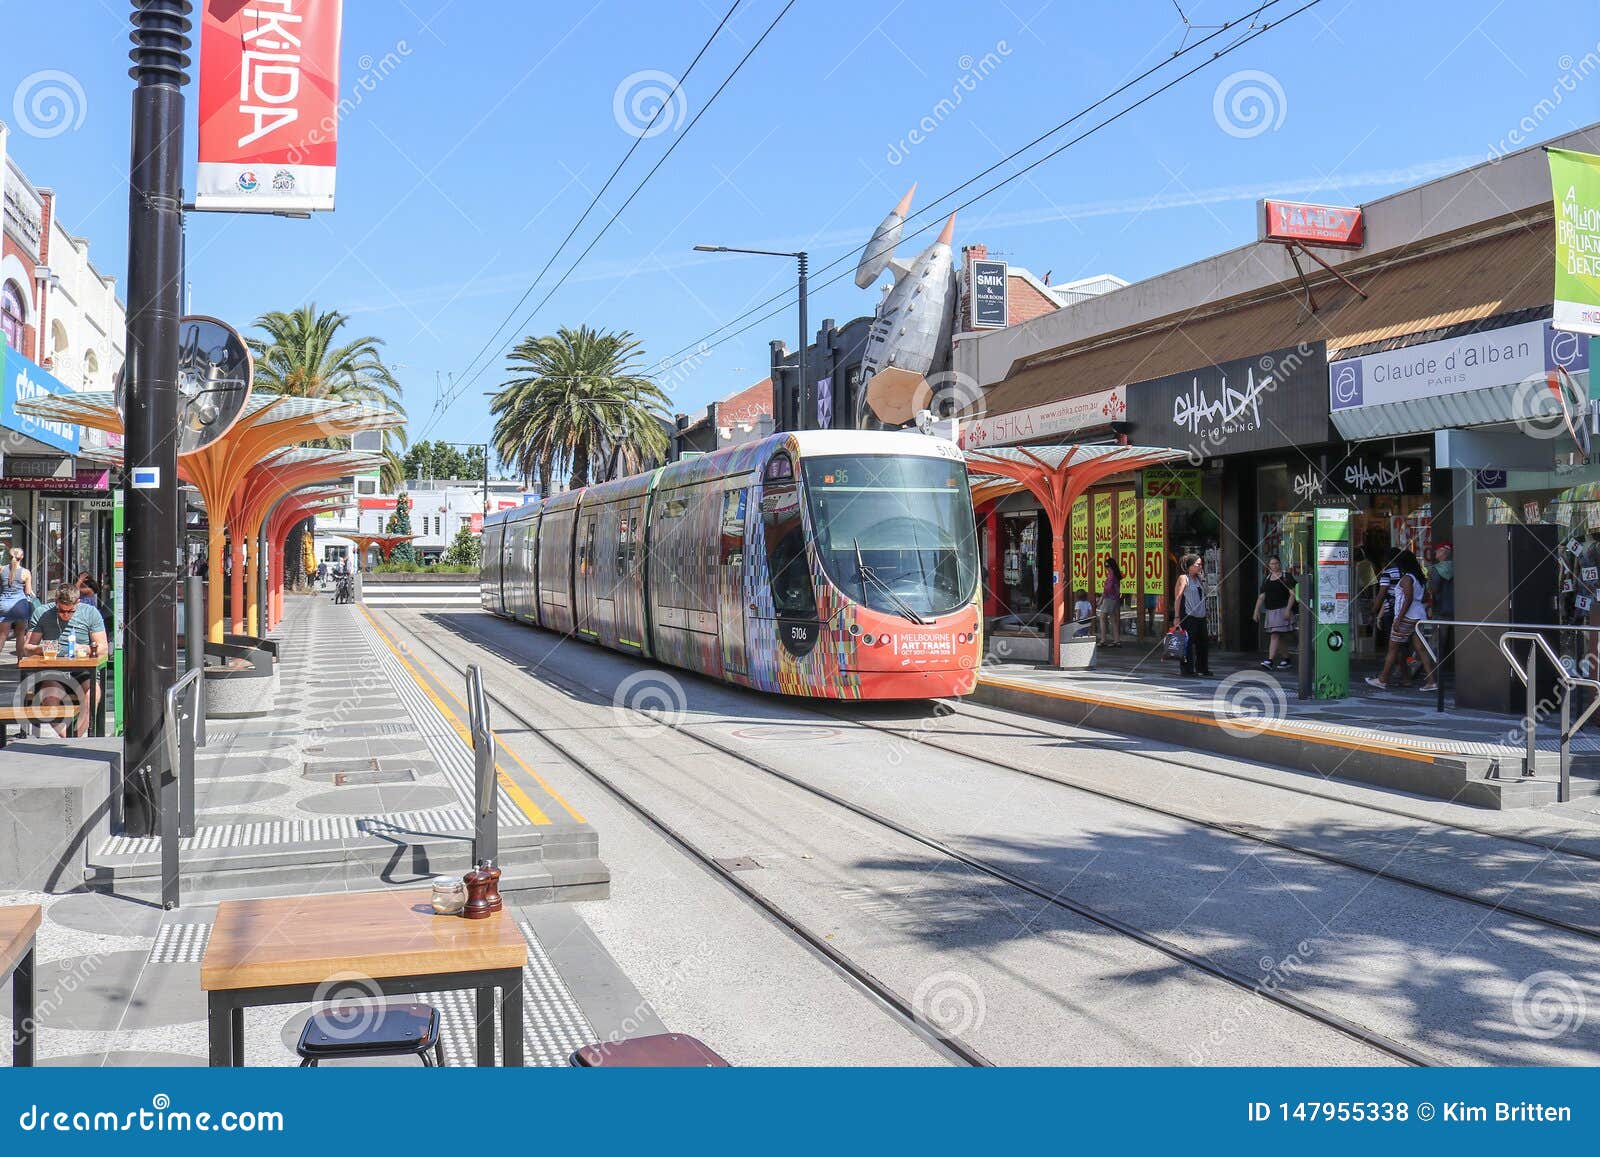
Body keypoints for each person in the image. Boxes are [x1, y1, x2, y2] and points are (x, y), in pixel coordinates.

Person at [24, 584, 109, 737]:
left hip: (82, 671)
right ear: (56, 602)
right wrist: (41, 649)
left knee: (92, 695)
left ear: (78, 603)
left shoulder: (90, 613)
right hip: (53, 672)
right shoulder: (42, 613)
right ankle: (68, 738)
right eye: (62, 610)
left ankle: (75, 737)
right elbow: (28, 647)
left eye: (70, 611)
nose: (66, 615)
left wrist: (86, 648)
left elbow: (103, 647)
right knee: (50, 698)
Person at [1366, 551, 1436, 693]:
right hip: (1419, 615)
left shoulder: (1406, 579)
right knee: (1421, 649)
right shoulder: (1419, 578)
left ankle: (1382, 679)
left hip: (1406, 617)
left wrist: (1399, 618)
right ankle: (1431, 681)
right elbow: (1422, 597)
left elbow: (1407, 599)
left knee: (1393, 649)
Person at [1253, 556, 1298, 670]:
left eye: (1276, 563)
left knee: (1275, 635)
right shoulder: (1266, 579)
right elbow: (1262, 596)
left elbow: (1293, 594)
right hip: (1271, 611)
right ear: (1269, 566)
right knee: (1279, 636)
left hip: (1283, 609)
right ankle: (1287, 659)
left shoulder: (1286, 576)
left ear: (1280, 564)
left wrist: (1288, 609)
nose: (1274, 566)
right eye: (1272, 564)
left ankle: (1270, 660)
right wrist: (1256, 611)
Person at [1173, 553, 1212, 677]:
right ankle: (1187, 669)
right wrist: (1177, 616)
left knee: (1203, 643)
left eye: (1201, 564)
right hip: (1189, 615)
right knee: (1187, 643)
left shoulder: (1199, 578)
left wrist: (1204, 579)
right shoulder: (1183, 578)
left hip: (1200, 615)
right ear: (1190, 566)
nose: (1200, 567)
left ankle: (1202, 668)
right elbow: (1178, 597)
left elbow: (1204, 594)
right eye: (1198, 564)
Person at [0, 547, 34, 661]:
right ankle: (20, 661)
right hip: (20, 605)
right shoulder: (26, 572)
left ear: (8, 557)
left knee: (2, 636)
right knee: (20, 635)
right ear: (22, 557)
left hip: (4, 605)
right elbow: (28, 592)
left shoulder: (1, 569)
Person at [1098, 556, 1123, 647]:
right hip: (1115, 599)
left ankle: (1103, 640)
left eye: (1107, 567)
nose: (1106, 569)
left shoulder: (1111, 576)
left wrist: (1101, 599)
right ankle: (1117, 640)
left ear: (1110, 567)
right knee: (1113, 619)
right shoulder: (1116, 575)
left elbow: (1107, 589)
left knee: (1102, 618)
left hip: (1109, 598)